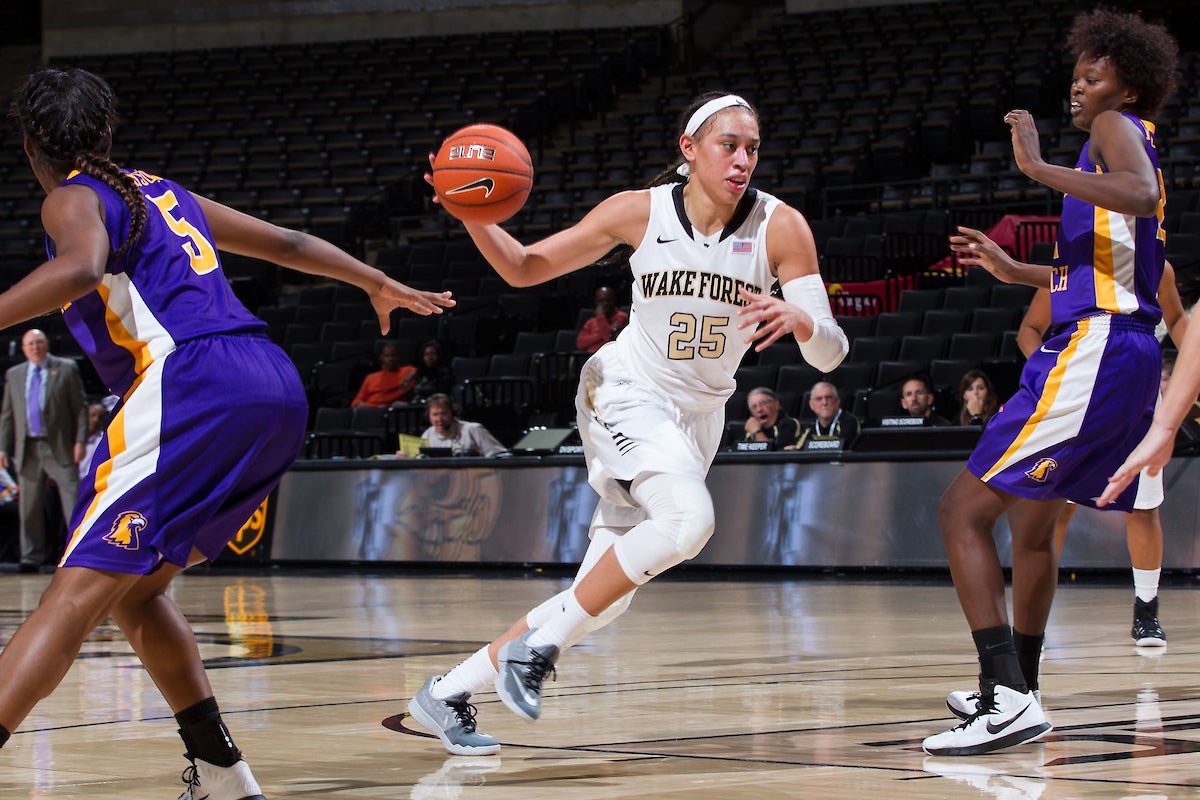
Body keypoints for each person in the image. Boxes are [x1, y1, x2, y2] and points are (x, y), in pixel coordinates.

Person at [0, 67, 453, 798]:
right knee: (138, 594)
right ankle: (222, 774)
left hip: (192, 381)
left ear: (31, 147)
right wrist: (374, 279)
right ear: (108, 134)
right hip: (269, 382)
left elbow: (81, 267)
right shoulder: (161, 192)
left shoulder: (71, 196)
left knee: (71, 598)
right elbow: (289, 241)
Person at [404, 90, 848, 756]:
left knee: (603, 595)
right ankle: (537, 654)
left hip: (697, 418)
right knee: (689, 523)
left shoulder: (781, 226)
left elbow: (830, 351)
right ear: (689, 149)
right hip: (623, 392)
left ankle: (445, 693)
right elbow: (524, 267)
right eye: (729, 144)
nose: (744, 159)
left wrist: (806, 322)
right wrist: (473, 213)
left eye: (753, 147)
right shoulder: (638, 211)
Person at [924, 9, 1178, 757]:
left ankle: (1004, 698)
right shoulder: (1136, 139)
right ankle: (1022, 688)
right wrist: (1017, 271)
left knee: (962, 513)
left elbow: (1135, 195)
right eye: (1076, 76)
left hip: (1096, 350)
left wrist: (1034, 169)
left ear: (1126, 86)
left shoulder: (1115, 130)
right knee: (1031, 528)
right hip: (1121, 347)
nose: (1078, 88)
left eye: (1092, 77)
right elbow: (1125, 268)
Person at [1017, 263, 1187, 647]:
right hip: (1075, 391)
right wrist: (1047, 371)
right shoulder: (1071, 266)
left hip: (1137, 391)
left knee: (1142, 508)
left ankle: (1146, 609)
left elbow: (1177, 320)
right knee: (1054, 507)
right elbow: (1029, 330)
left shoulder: (1156, 266)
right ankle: (1034, 616)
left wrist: (1186, 378)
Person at [0, 329, 87, 572]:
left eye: (39, 342)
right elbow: (7, 415)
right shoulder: (14, 374)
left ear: (46, 345)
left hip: (59, 445)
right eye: (30, 344)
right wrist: (2, 448)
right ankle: (31, 557)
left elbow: (80, 409)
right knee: (29, 507)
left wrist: (80, 441)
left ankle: (77, 553)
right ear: (24, 349)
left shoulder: (66, 368)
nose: (35, 347)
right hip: (28, 447)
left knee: (72, 501)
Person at [418, 393, 507, 457]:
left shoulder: (472, 429)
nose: (439, 419)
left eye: (444, 414)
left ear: (452, 413)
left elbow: (501, 455)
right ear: (428, 416)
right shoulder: (427, 435)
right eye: (435, 415)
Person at [350, 342, 417, 407]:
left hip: (392, 410)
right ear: (382, 358)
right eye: (387, 356)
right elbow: (357, 401)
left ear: (398, 357)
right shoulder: (370, 378)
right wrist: (363, 406)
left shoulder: (408, 371)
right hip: (370, 410)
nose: (391, 359)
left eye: (393, 355)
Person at [797, 380, 860, 448]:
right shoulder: (809, 428)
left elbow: (842, 449)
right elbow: (799, 449)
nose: (824, 402)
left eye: (829, 398)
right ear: (811, 405)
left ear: (837, 401)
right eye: (819, 399)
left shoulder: (849, 422)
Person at [575, 285, 629, 353]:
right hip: (591, 358)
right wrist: (599, 336)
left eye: (608, 300)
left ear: (614, 300)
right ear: (596, 302)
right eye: (601, 301)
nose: (605, 304)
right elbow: (580, 344)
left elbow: (609, 337)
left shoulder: (621, 317)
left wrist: (601, 317)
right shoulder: (591, 322)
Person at [410, 339, 455, 404]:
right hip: (416, 405)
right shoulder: (418, 372)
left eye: (433, 354)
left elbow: (441, 393)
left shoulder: (445, 373)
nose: (430, 357)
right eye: (426, 354)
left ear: (439, 355)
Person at [78, 401, 108, 479]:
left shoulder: (102, 440)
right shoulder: (71, 435)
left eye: (100, 417)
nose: (96, 420)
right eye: (92, 415)